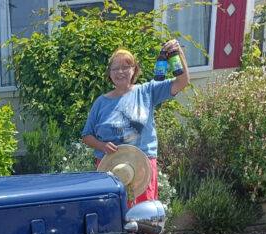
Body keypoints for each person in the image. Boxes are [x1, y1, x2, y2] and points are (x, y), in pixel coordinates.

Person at [81, 40, 190, 204]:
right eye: (115, 68)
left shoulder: (147, 91)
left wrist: (178, 53)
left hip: (141, 167)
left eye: (125, 67)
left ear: (134, 70)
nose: (120, 72)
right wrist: (102, 146)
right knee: (114, 217)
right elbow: (86, 135)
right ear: (109, 74)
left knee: (143, 219)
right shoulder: (100, 102)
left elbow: (182, 82)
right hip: (110, 169)